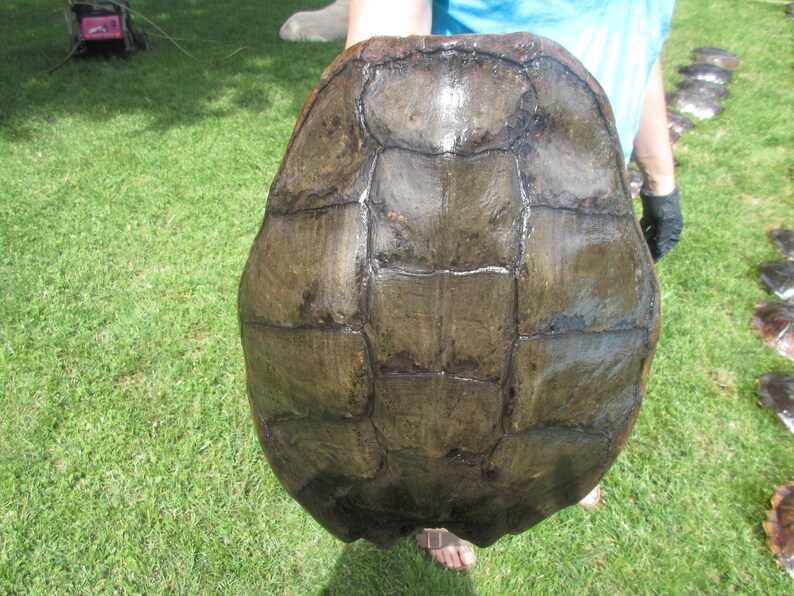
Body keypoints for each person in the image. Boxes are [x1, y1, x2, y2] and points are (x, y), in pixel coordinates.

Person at [341, 0, 682, 571]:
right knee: (447, 365)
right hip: (462, 189)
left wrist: (659, 177)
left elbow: (640, 38)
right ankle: (437, 503)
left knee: (566, 343)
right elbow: (378, 49)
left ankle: (557, 458)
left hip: (588, 186)